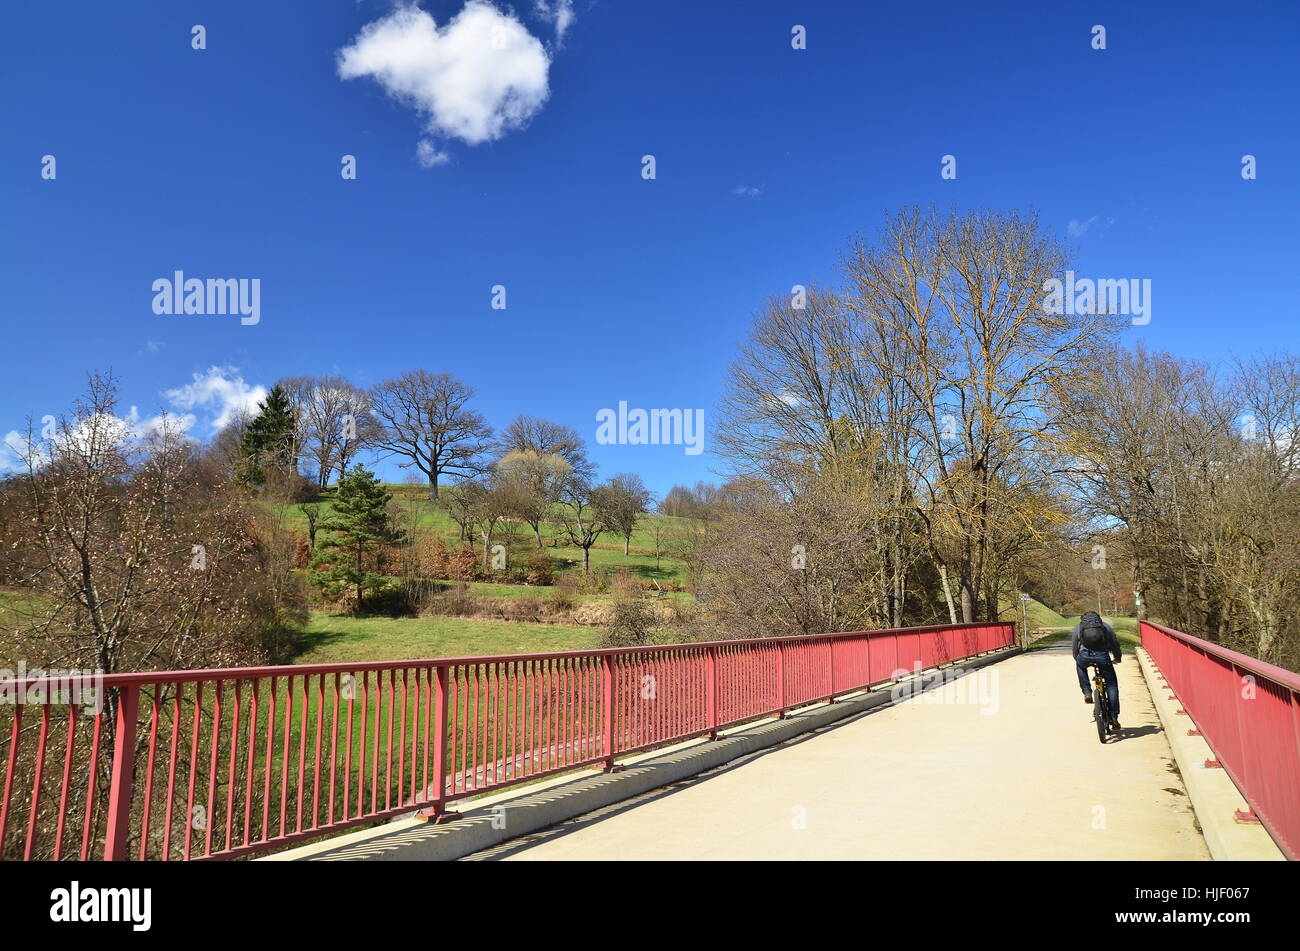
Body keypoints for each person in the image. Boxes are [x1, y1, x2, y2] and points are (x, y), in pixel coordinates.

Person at [1072, 611, 1122, 730]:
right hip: (1102, 656)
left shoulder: (1079, 627)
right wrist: (1117, 657)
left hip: (1085, 655)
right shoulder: (1105, 627)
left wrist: (1077, 659)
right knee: (1111, 685)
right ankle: (1114, 717)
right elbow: (1114, 643)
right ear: (1098, 619)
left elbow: (1075, 646)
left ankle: (1087, 692)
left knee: (1080, 666)